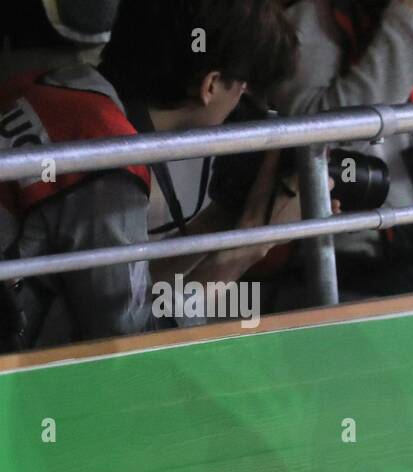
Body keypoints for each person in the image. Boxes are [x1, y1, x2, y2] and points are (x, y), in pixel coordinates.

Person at [0, 0, 301, 348]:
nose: (245, 102)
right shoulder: (106, 158)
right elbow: (129, 345)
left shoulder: (53, 87)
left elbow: (123, 293)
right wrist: (248, 247)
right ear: (212, 85)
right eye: (245, 87)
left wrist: (223, 219)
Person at [269, 0, 413, 300]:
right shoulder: (307, 17)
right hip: (345, 264)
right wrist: (412, 21)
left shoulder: (380, 11)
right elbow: (320, 132)